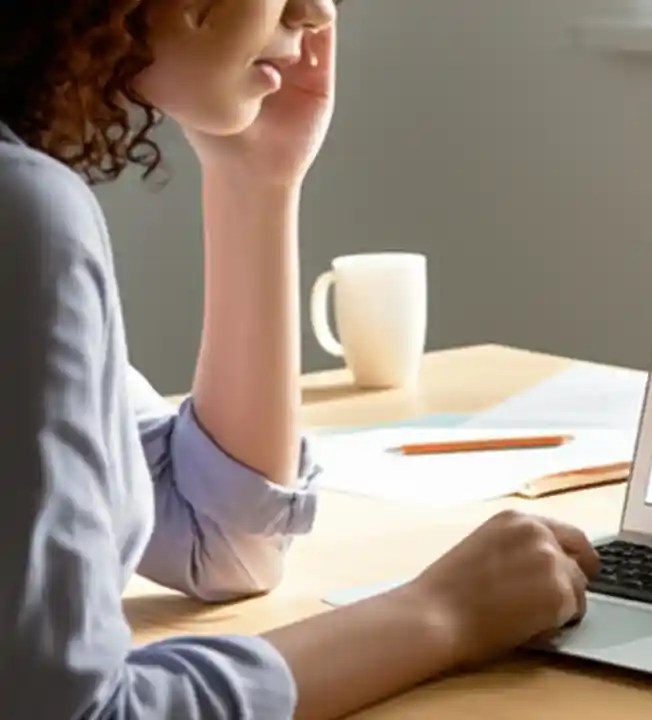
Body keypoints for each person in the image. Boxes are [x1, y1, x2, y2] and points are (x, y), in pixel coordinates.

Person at [0, 3, 598, 719]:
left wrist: (256, 178)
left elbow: (219, 540)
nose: (315, 12)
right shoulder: (21, 211)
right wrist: (438, 616)